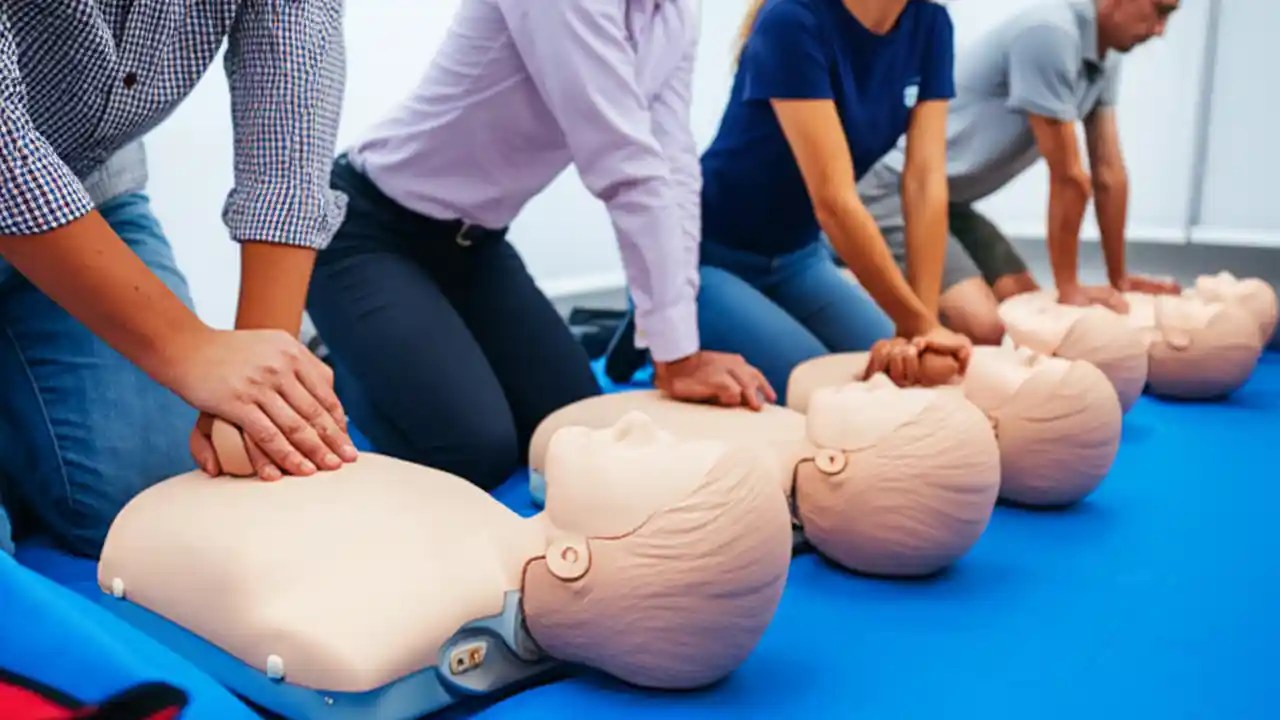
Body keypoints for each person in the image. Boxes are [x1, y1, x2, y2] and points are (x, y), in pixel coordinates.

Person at [305, 0, 774, 492]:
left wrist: (680, 334)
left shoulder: (676, 12)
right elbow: (626, 164)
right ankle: (344, 356)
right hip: (368, 232)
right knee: (472, 449)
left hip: (475, 248)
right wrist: (677, 356)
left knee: (574, 426)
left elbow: (673, 164)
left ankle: (401, 345)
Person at [0, 3, 357, 557]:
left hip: (87, 190)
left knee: (153, 504)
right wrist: (186, 347)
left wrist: (257, 398)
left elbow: (292, 106)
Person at [857, 0, 1182, 345]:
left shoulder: (1107, 53)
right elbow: (1069, 175)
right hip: (893, 194)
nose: (1160, 30)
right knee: (983, 327)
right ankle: (856, 272)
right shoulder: (1049, 33)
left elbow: (1108, 173)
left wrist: (1120, 280)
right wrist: (1068, 288)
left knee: (1024, 306)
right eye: (1160, 11)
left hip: (949, 202)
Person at [696, 0, 972, 400]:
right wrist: (917, 323)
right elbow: (834, 201)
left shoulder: (930, 24)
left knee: (905, 376)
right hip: (702, 256)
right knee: (834, 393)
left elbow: (925, 182)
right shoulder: (790, 20)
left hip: (797, 259)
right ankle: (653, 330)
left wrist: (920, 327)